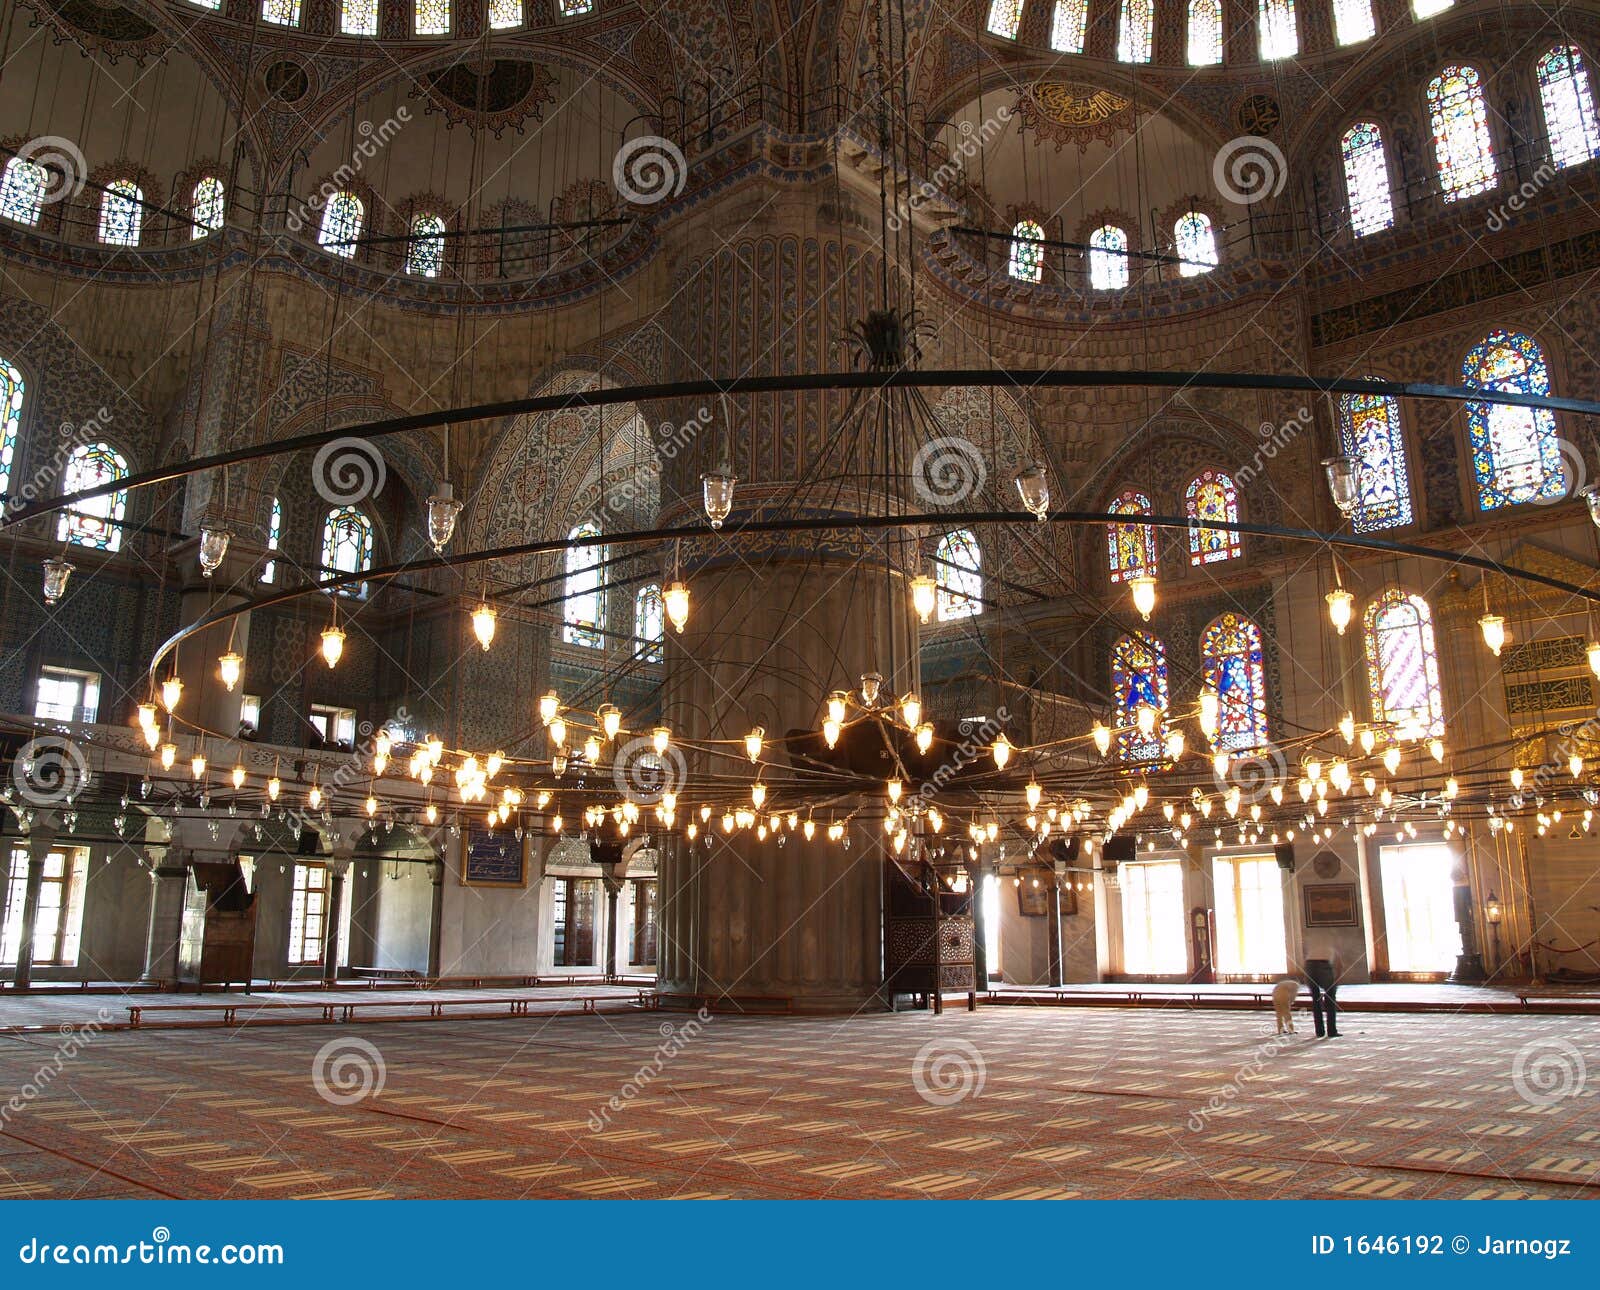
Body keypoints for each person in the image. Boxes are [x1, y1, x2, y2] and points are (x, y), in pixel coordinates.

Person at [1302, 935, 1341, 1039]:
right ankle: (1332, 1031)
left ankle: (1319, 1032)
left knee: (1316, 1000)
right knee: (1330, 1000)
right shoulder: (1333, 946)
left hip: (1309, 966)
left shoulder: (1314, 946)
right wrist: (1336, 980)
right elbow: (1339, 965)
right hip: (1323, 965)